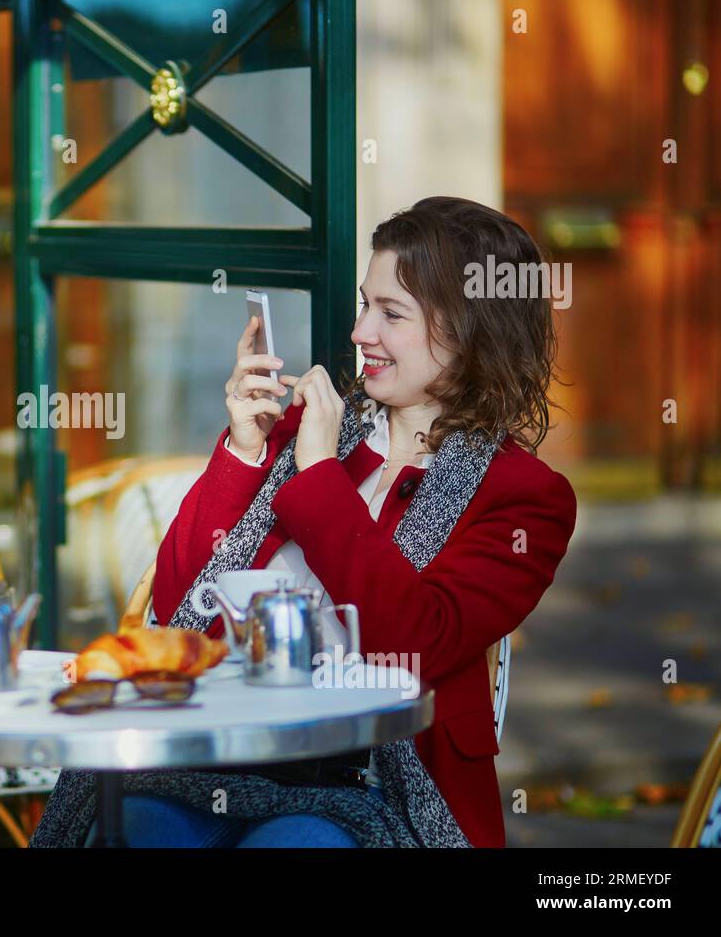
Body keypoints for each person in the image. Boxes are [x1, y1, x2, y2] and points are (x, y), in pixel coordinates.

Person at [33, 197, 578, 848]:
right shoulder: (300, 433)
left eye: (391, 314)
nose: (359, 332)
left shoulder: (522, 497)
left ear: (467, 330)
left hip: (374, 785)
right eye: (363, 304)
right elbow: (182, 606)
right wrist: (243, 453)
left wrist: (319, 476)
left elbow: (414, 646)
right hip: (217, 757)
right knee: (137, 833)